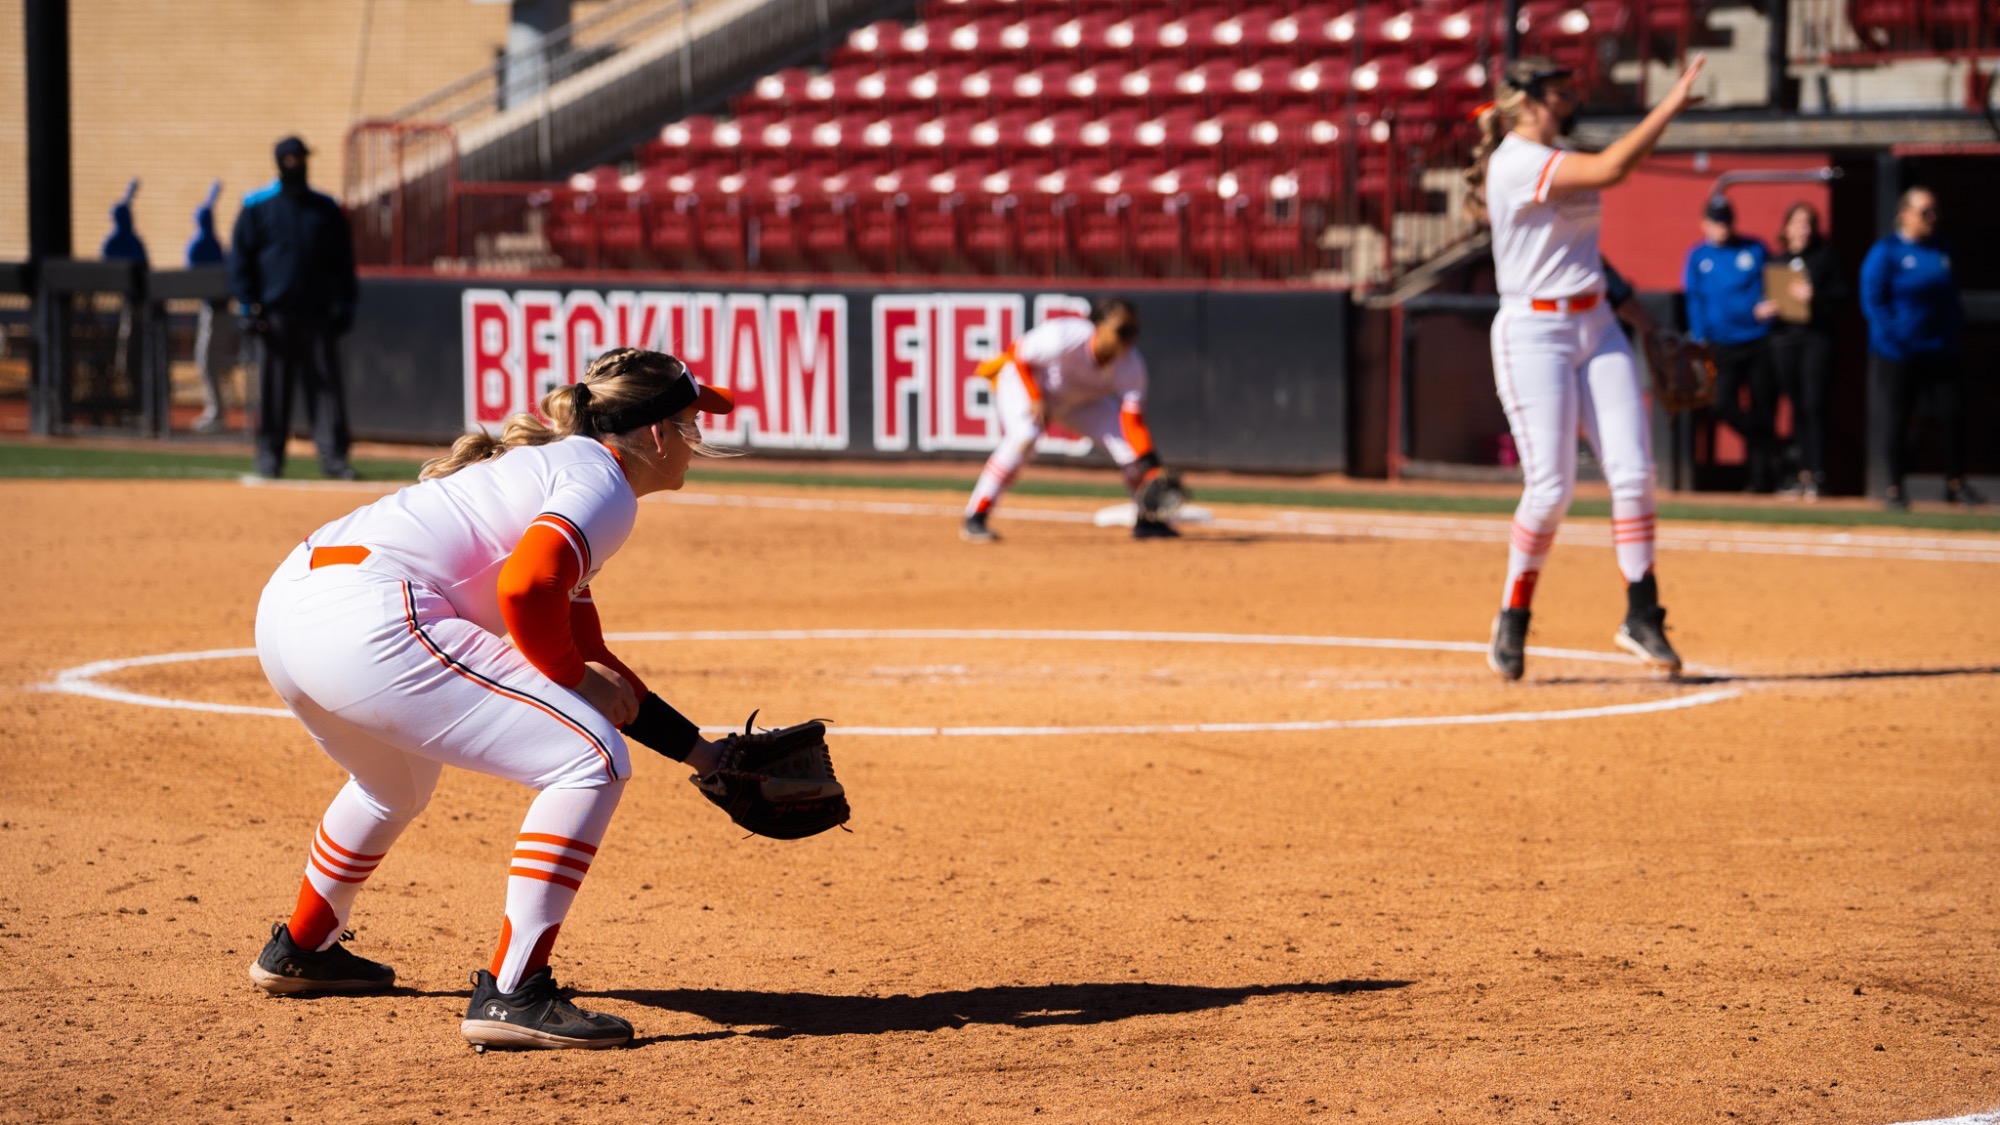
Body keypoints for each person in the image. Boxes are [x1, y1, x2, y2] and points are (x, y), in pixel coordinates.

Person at [248, 347, 738, 1050]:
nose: (697, 437)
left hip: (291, 609)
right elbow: (527, 590)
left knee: (395, 781)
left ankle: (302, 947)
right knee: (591, 759)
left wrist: (704, 753)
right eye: (691, 420)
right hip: (369, 616)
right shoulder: (603, 484)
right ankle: (514, 992)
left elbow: (592, 657)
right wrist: (571, 676)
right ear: (657, 434)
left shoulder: (561, 470)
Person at [1462, 54, 1707, 681]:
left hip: (1596, 323)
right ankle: (1512, 616)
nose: (1569, 97)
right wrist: (1671, 105)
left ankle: (1642, 613)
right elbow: (1615, 167)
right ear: (1527, 100)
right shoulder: (1516, 161)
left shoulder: (1557, 153)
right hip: (1533, 332)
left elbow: (1583, 255)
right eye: (1557, 90)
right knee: (1552, 488)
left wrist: (1646, 324)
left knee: (1634, 470)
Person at [960, 297, 1179, 542]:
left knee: (1130, 451)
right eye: (1122, 331)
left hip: (1079, 402)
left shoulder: (1131, 365)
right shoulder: (1065, 336)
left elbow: (1133, 421)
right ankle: (975, 516)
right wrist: (1034, 397)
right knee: (1025, 436)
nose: (1129, 339)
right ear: (1099, 325)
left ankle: (1148, 520)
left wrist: (1151, 466)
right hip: (1027, 383)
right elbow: (1017, 353)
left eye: (1134, 331)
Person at [229, 136, 361, 479]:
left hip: (317, 314)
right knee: (274, 390)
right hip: (274, 316)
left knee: (325, 389)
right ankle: (269, 457)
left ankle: (334, 458)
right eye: (291, 159)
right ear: (280, 162)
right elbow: (241, 260)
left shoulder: (325, 208)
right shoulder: (258, 205)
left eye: (302, 158)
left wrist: (346, 303)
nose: (297, 165)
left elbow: (342, 261)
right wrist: (247, 306)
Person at [1861, 186, 1980, 510]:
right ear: (1904, 213)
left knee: (1951, 414)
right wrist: (1897, 334)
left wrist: (1952, 326)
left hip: (1940, 349)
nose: (1932, 218)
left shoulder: (1942, 248)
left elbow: (1950, 296)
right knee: (1896, 418)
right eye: (1924, 211)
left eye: (1935, 211)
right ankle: (1893, 488)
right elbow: (1873, 300)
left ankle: (1956, 483)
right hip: (1897, 352)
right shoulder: (1886, 251)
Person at [1683, 195, 1783, 493]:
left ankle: (1761, 479)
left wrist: (1771, 303)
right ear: (1705, 223)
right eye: (1715, 220)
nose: (1721, 226)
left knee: (1764, 408)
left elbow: (1775, 283)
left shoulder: (1755, 248)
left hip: (1758, 341)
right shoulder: (1698, 256)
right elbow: (1694, 299)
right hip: (1720, 343)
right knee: (1721, 403)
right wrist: (1699, 338)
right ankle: (1767, 443)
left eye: (1725, 219)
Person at [1767, 201, 1847, 500]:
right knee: (1797, 407)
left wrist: (1816, 295)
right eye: (1797, 222)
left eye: (1808, 223)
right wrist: (1766, 308)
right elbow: (1767, 299)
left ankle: (1818, 473)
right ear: (1785, 228)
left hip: (1816, 338)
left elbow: (1843, 295)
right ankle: (1800, 473)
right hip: (1785, 339)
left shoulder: (1825, 259)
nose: (1803, 229)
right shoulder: (1777, 262)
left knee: (1814, 405)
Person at [187, 181, 239, 434]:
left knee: (208, 362)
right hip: (209, 310)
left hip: (218, 311)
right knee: (205, 361)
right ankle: (215, 410)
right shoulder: (205, 245)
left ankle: (216, 412)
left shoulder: (213, 246)